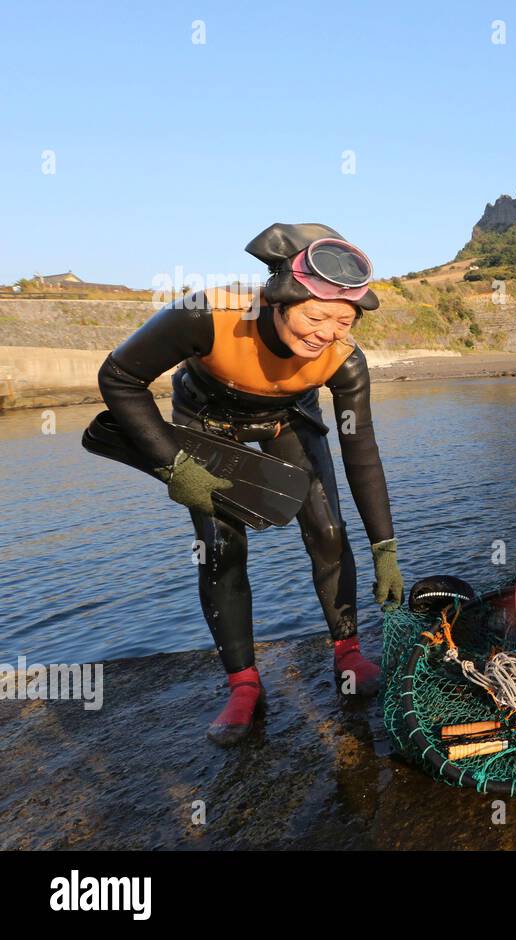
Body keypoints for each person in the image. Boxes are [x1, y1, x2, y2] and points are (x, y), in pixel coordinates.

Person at [96, 222, 404, 745]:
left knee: (328, 530)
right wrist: (175, 467)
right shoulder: (208, 314)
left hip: (286, 420)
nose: (326, 332)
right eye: (315, 314)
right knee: (220, 547)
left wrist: (385, 546)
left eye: (344, 319)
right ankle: (243, 683)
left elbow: (362, 451)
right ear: (280, 299)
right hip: (203, 424)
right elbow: (119, 378)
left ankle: (347, 655)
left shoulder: (344, 359)